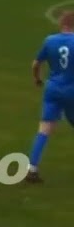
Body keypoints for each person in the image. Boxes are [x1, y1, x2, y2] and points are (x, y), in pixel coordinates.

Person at [23, 10, 74, 183]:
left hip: (52, 89)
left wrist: (37, 79)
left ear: (62, 24)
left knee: (44, 130)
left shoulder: (50, 40)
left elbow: (36, 64)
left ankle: (32, 169)